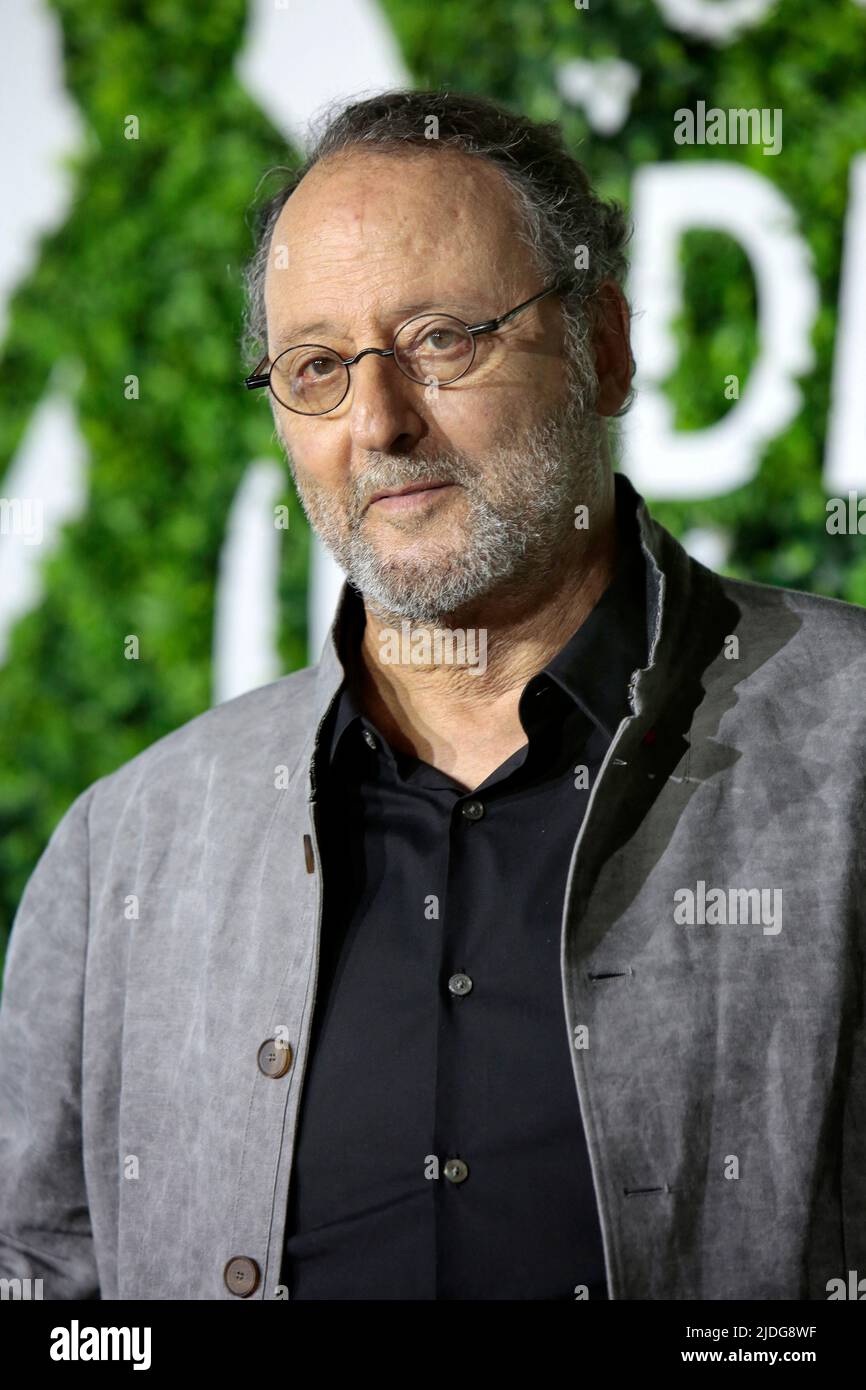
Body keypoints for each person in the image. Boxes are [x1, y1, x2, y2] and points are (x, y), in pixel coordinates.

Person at [1, 89, 864, 1302]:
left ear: (600, 347)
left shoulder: (851, 739)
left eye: (441, 339)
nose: (378, 422)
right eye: (314, 366)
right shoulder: (122, 850)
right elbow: (41, 1277)